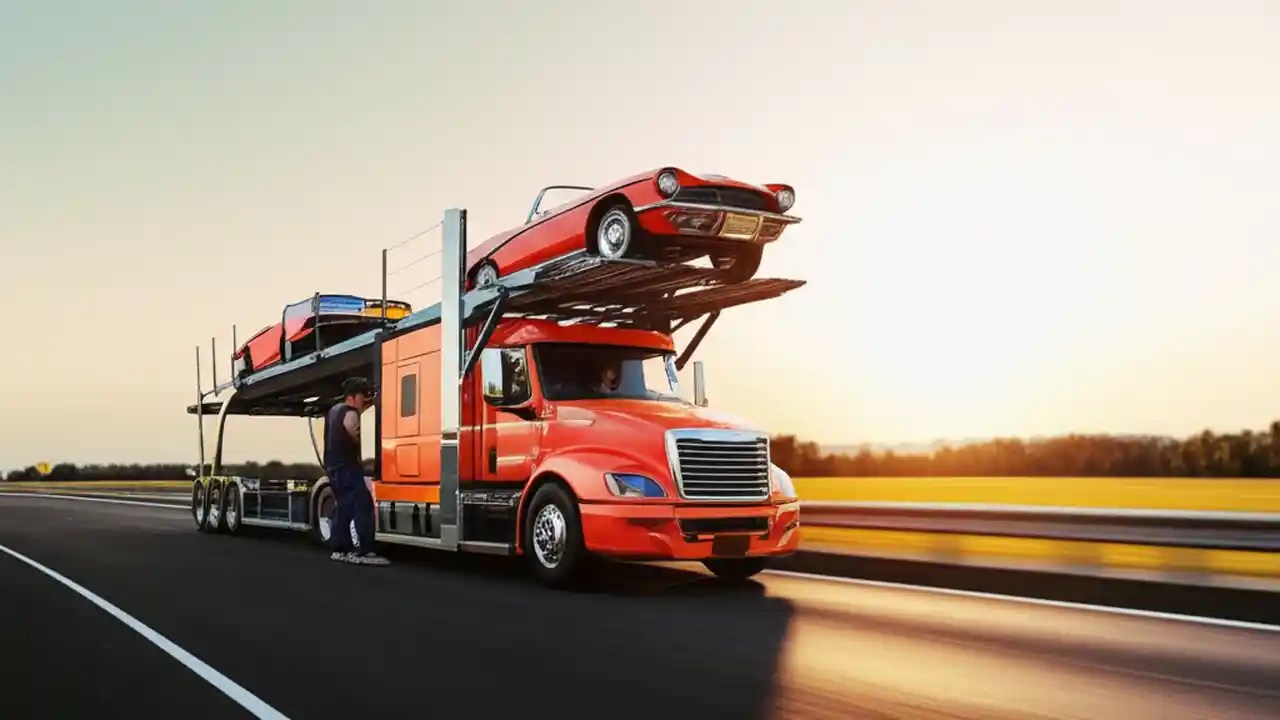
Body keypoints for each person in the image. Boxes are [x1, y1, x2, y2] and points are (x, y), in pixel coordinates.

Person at [323, 376, 389, 566]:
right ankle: (365, 551)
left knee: (343, 508)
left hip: (333, 468)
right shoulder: (350, 411)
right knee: (363, 505)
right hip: (348, 467)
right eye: (362, 396)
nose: (364, 401)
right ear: (352, 397)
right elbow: (352, 431)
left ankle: (340, 550)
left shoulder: (333, 411)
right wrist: (359, 439)